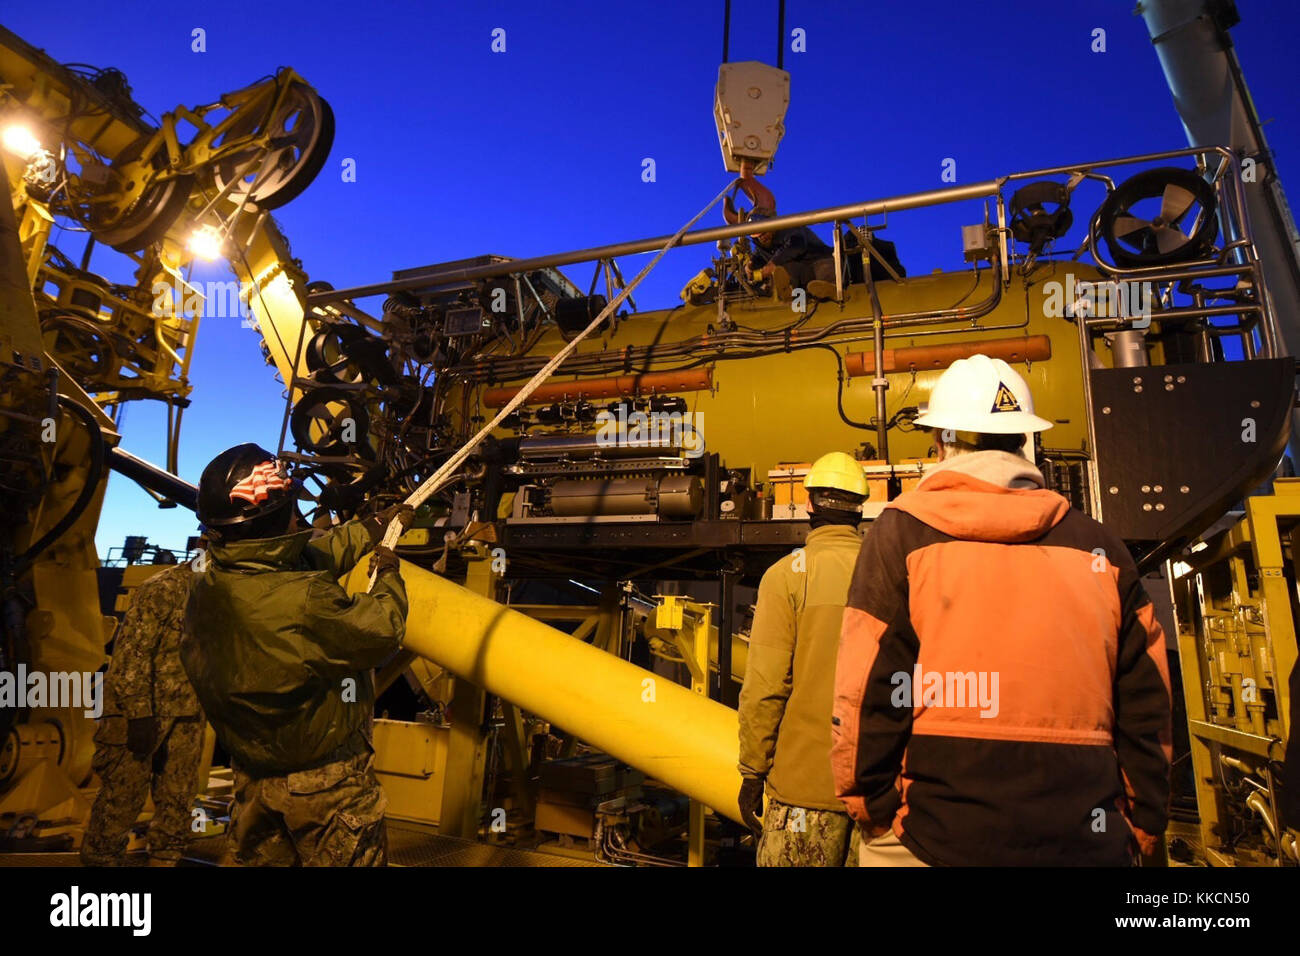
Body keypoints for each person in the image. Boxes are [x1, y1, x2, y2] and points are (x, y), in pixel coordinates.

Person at [831, 355, 1172, 866]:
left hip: (931, 838)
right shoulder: (1101, 548)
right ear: (1023, 441)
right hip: (1084, 842)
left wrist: (873, 811)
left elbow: (866, 692)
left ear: (941, 441)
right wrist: (1143, 825)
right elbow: (1147, 704)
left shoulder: (899, 535)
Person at [181, 443, 412, 867]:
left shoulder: (214, 581)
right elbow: (381, 631)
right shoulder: (304, 598)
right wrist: (389, 576)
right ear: (277, 520)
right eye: (292, 511)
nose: (298, 519)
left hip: (253, 776)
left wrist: (372, 527)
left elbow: (304, 555)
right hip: (325, 787)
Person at [738, 451, 868, 866]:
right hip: (876, 794)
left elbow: (765, 686)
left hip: (803, 793)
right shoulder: (889, 571)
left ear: (809, 505)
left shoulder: (786, 575)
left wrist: (751, 771)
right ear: (859, 510)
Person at [81, 545, 207, 866]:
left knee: (177, 799)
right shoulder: (163, 588)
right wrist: (139, 715)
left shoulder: (219, 595)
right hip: (139, 711)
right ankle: (101, 871)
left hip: (188, 712)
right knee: (121, 799)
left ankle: (165, 859)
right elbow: (130, 656)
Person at [747, 207, 839, 302]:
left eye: (763, 233)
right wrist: (750, 264)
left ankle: (831, 290)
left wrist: (773, 263)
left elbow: (796, 245)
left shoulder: (789, 227)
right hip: (803, 273)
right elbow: (758, 255)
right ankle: (789, 292)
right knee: (786, 269)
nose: (761, 238)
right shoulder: (761, 245)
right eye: (757, 236)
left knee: (824, 268)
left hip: (818, 259)